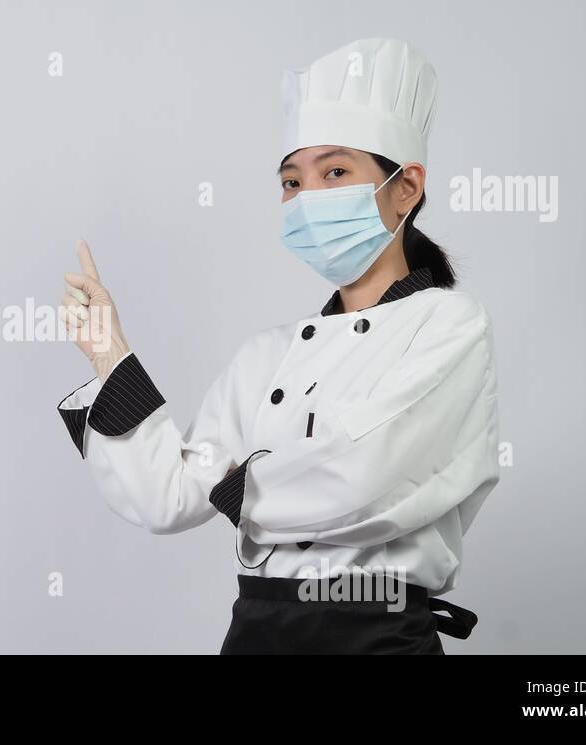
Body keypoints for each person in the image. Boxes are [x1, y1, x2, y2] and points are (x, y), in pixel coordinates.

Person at [56, 38, 500, 654]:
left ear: (406, 188)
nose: (308, 196)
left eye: (335, 173)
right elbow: (169, 495)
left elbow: (365, 479)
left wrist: (239, 486)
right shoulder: (267, 355)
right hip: (256, 632)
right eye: (292, 182)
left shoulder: (449, 326)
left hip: (375, 633)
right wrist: (110, 357)